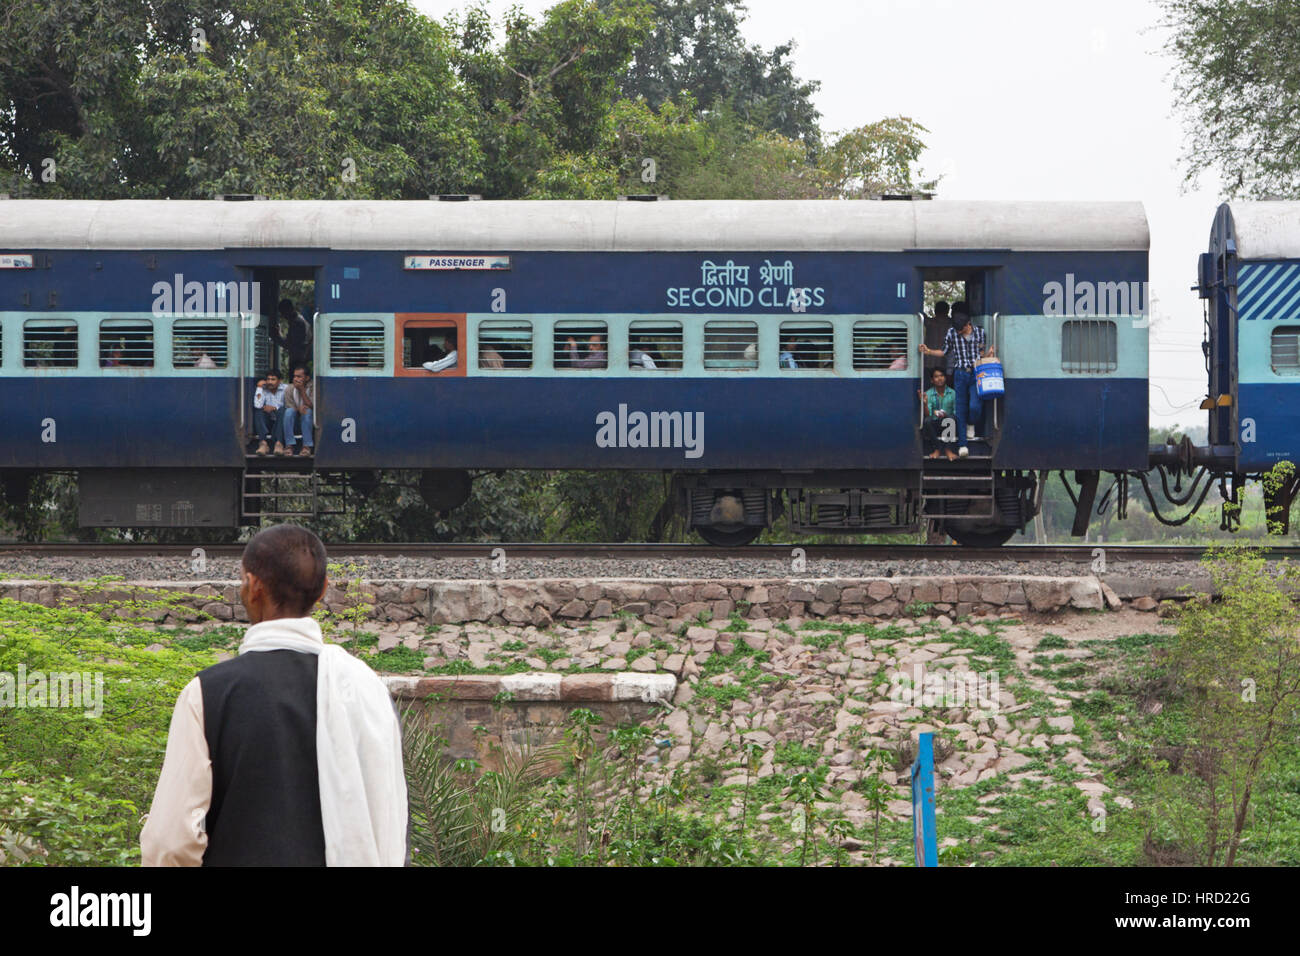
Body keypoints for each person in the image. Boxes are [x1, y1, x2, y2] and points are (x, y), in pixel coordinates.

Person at [140, 524, 407, 866]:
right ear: (323, 589)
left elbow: (169, 842)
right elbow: (392, 817)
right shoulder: (366, 690)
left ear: (253, 586)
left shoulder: (207, 694)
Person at [918, 304, 992, 458]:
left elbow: (981, 354)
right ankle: (963, 445)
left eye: (961, 329)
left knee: (975, 407)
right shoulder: (952, 333)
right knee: (960, 409)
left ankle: (971, 423)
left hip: (976, 373)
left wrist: (988, 355)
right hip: (959, 374)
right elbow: (944, 351)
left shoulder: (980, 333)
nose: (958, 332)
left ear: (967, 324)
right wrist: (929, 351)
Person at [919, 366, 958, 461]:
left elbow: (956, 412)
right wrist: (924, 404)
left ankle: (948, 449)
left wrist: (946, 415)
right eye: (936, 377)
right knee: (927, 421)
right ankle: (937, 448)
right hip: (935, 426)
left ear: (945, 378)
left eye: (941, 376)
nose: (939, 378)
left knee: (952, 418)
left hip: (949, 425)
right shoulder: (928, 394)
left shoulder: (953, 393)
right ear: (932, 380)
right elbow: (928, 415)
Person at [268, 299, 313, 370]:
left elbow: (290, 345)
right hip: (300, 359)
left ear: (288, 310)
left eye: (283, 313)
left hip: (299, 361)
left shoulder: (297, 323)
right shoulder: (298, 320)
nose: (283, 316)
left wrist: (275, 337)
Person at [253, 369, 288, 456]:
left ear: (279, 381)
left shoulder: (286, 389)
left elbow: (289, 406)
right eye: (268, 379)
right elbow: (257, 405)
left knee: (283, 411)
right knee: (259, 411)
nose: (269, 382)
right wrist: (259, 387)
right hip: (268, 422)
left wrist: (274, 408)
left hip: (282, 422)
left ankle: (279, 444)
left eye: (273, 379)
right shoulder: (263, 389)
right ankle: (263, 443)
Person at [284, 366, 315, 457]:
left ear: (307, 378)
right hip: (295, 420)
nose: (296, 379)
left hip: (309, 420)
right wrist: (298, 408)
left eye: (299, 377)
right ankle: (289, 445)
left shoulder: (313, 387)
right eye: (295, 376)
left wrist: (302, 390)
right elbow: (290, 406)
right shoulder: (290, 388)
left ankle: (306, 446)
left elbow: (312, 406)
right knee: (288, 412)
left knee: (307, 412)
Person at [924, 301, 951, 375]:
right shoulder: (952, 324)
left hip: (929, 361)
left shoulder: (930, 322)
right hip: (946, 363)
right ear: (947, 311)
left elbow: (920, 315)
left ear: (935, 311)